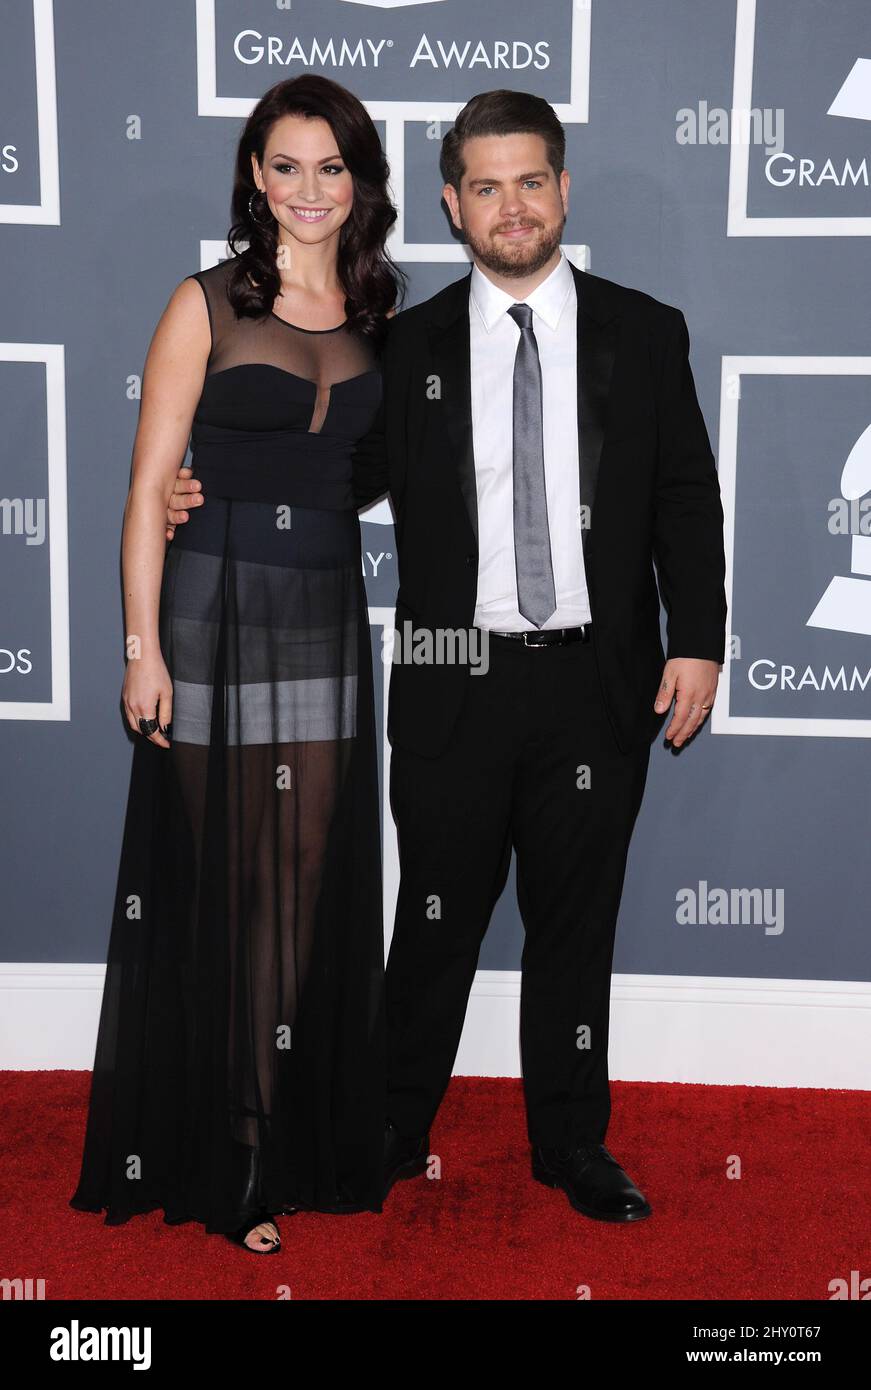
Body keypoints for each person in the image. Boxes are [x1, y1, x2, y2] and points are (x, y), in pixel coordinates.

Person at [169, 89, 727, 1225]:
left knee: (575, 931)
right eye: (485, 186)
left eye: (531, 181)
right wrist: (207, 483)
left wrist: (701, 640)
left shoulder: (644, 329)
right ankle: (389, 1130)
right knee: (431, 921)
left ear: (563, 189)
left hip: (596, 681)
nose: (510, 207)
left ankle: (571, 1144)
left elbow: (684, 496)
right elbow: (329, 464)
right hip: (449, 676)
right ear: (451, 204)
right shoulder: (407, 345)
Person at [70, 75, 404, 1253]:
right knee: (221, 886)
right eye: (286, 165)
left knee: (300, 897)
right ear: (254, 177)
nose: (309, 189)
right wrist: (140, 648)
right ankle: (228, 1157)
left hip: (320, 615)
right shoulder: (204, 303)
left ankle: (273, 1131)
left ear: (357, 182)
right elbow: (142, 486)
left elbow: (366, 473)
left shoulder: (379, 310)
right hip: (211, 614)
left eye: (332, 167)